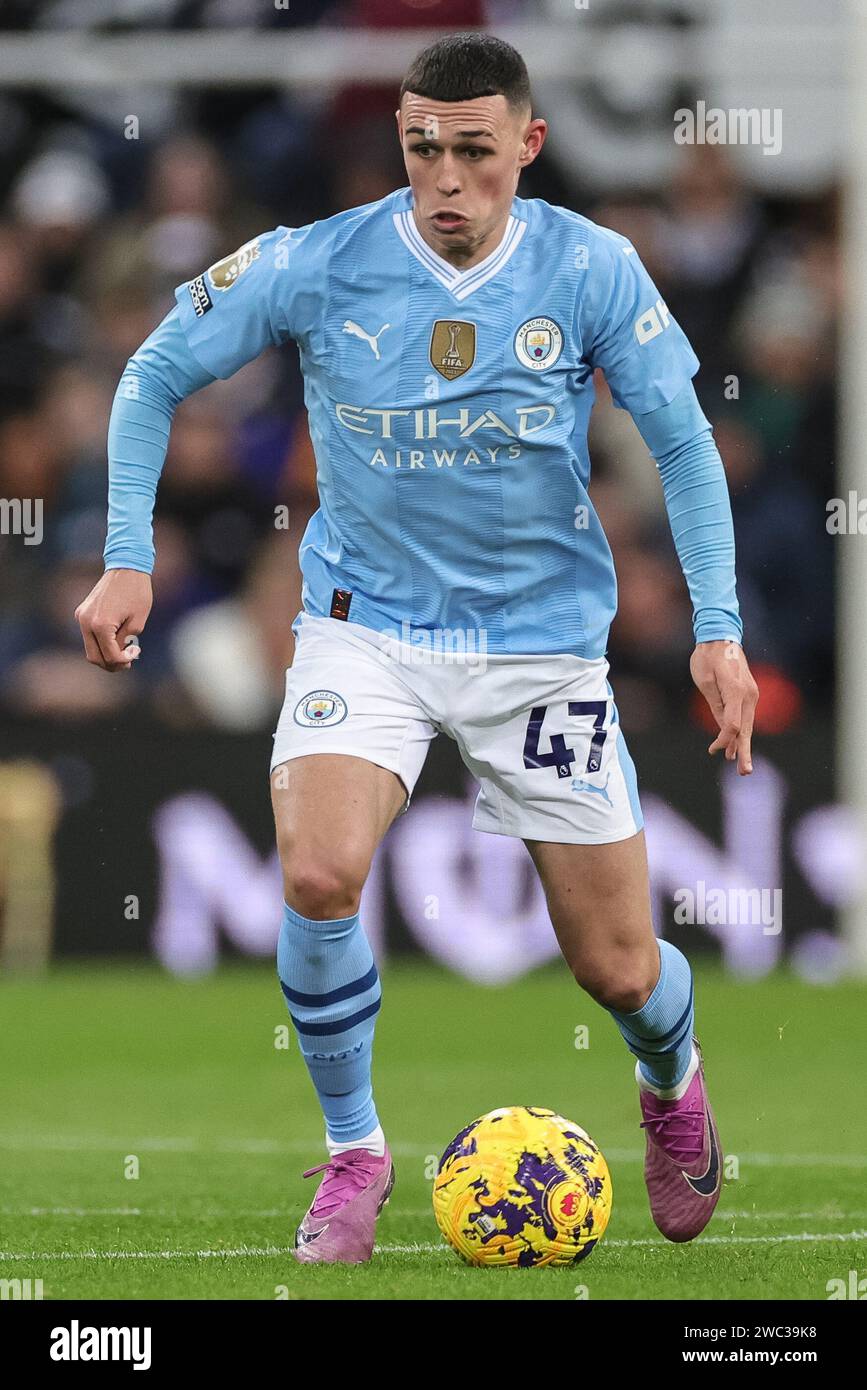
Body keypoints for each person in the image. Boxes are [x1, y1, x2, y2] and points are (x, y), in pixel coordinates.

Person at [75, 33, 759, 1265]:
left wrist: (717, 629)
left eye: (475, 152)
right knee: (321, 873)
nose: (445, 177)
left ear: (529, 148)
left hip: (542, 647)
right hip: (365, 631)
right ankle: (355, 1153)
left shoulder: (591, 268)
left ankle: (674, 1084)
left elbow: (687, 448)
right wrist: (127, 554)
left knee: (614, 965)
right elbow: (152, 372)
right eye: (422, 148)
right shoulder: (317, 261)